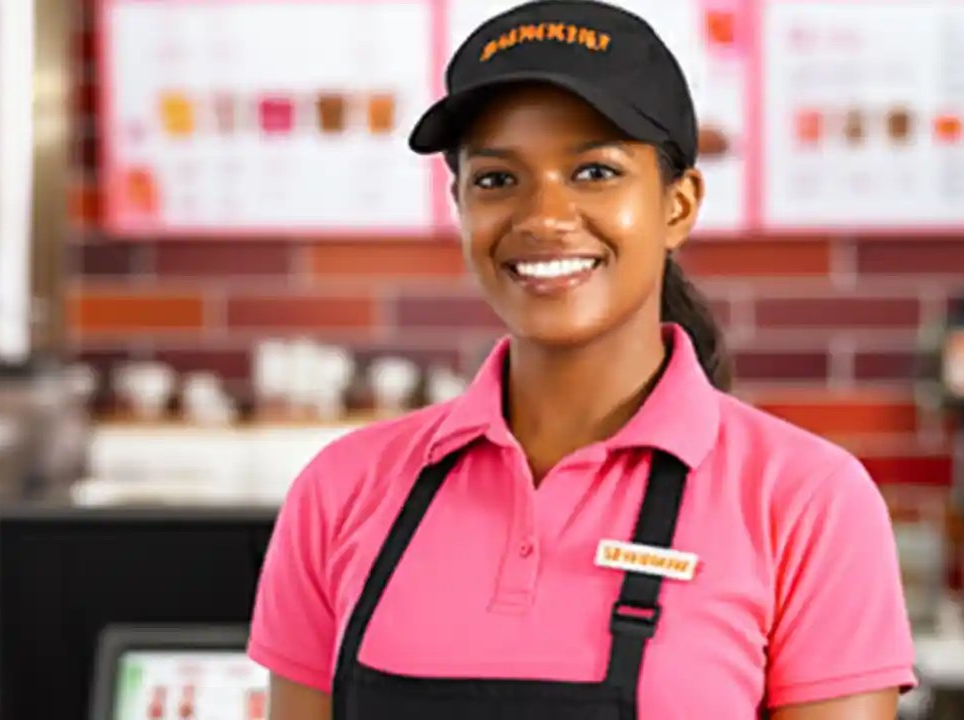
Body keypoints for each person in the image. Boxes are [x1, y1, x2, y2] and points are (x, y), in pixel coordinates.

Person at [247, 1, 916, 718]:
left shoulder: (805, 502)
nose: (542, 217)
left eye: (595, 171)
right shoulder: (341, 490)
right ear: (461, 208)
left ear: (679, 205)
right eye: (498, 180)